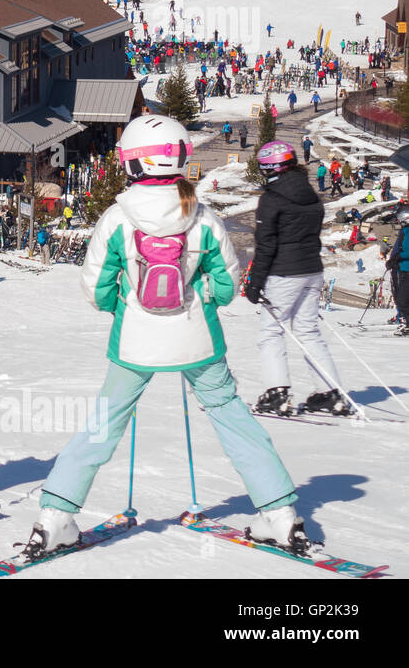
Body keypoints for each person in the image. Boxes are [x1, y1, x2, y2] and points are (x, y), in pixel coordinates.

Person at [26, 115, 310, 559]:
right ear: (181, 157)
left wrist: (123, 303)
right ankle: (278, 512)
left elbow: (96, 290)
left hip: (134, 342)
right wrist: (200, 303)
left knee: (105, 420)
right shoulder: (203, 218)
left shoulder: (118, 219)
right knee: (230, 414)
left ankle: (56, 515)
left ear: (130, 163)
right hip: (198, 341)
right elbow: (224, 286)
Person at [244, 141, 350, 414]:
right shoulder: (311, 194)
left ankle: (276, 392)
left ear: (270, 167)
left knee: (271, 331)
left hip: (284, 273)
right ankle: (329, 391)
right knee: (308, 330)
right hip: (311, 270)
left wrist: (255, 281)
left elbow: (266, 244)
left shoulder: (272, 198)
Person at [388, 208, 409, 335]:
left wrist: (399, 256)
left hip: (407, 269)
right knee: (402, 298)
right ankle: (405, 322)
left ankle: (406, 323)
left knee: (402, 299)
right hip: (403, 268)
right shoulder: (405, 231)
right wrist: (395, 260)